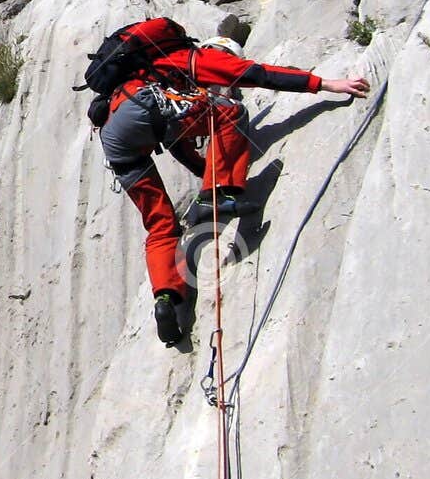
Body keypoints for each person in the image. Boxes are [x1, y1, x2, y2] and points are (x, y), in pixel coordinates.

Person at [98, 31, 371, 344]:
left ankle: (166, 300)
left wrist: (206, 174)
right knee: (231, 111)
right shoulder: (198, 58)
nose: (224, 82)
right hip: (144, 112)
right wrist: (322, 84)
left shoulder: (153, 73)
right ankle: (222, 194)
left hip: (114, 136)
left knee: (160, 225)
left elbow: (177, 145)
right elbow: (258, 74)